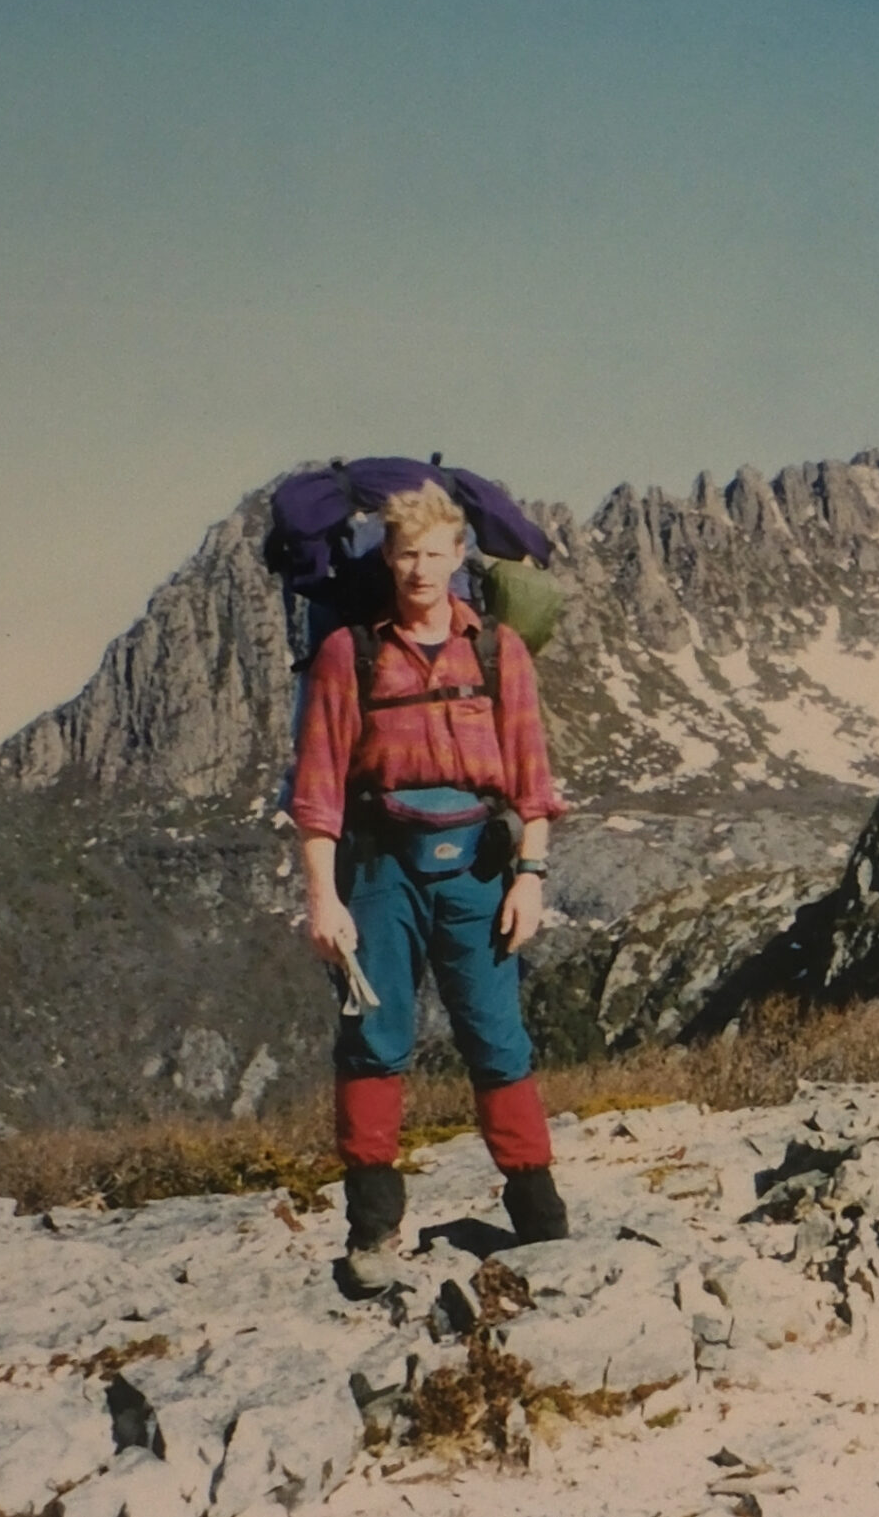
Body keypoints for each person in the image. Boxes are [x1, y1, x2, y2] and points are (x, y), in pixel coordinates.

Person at [289, 481, 570, 1294]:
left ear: (459, 556)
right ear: (388, 555)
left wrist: (531, 876)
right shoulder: (351, 652)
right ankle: (372, 1228)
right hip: (379, 869)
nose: (420, 569)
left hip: (482, 869)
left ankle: (541, 1217)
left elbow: (532, 778)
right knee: (374, 1040)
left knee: (497, 1037)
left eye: (435, 552)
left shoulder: (498, 652)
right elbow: (317, 790)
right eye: (405, 552)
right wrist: (321, 896)